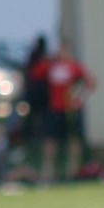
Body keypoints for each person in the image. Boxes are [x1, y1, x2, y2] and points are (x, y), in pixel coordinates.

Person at [31, 39, 97, 182]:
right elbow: (35, 74)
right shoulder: (51, 66)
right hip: (54, 108)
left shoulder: (75, 67)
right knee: (50, 140)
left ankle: (72, 169)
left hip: (71, 109)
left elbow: (91, 83)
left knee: (74, 139)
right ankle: (48, 171)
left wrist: (80, 98)